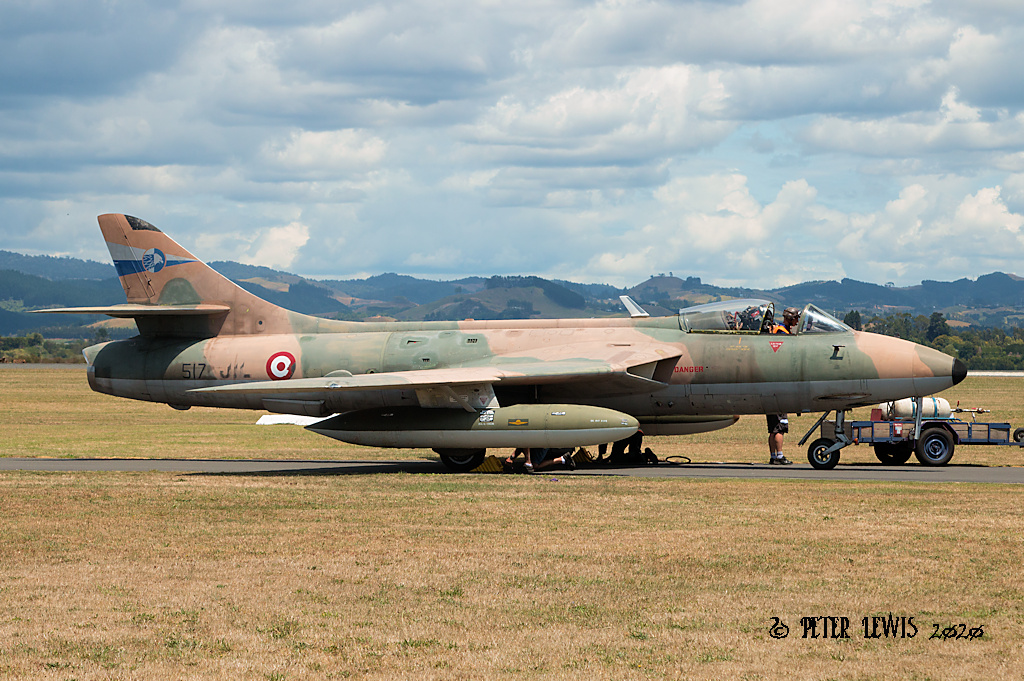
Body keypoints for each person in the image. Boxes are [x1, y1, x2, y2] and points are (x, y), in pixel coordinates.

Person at [766, 307, 800, 464]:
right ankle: (779, 456)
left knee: (773, 427)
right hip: (778, 390)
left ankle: (774, 456)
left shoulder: (777, 330)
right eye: (795, 318)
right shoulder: (782, 334)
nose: (797, 321)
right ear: (790, 319)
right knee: (779, 427)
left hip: (770, 390)